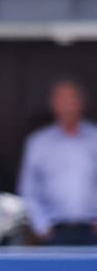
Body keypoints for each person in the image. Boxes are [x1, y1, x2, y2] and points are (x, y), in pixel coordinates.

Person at [18, 80, 97, 246]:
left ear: (81, 104)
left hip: (92, 228)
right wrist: (42, 225)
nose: (68, 106)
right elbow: (28, 189)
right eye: (62, 100)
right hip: (54, 231)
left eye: (72, 99)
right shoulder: (38, 142)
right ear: (53, 105)